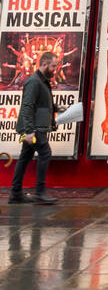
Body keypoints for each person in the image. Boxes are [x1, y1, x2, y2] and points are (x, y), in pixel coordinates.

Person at [9, 50, 59, 205]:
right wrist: (29, 131)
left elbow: (40, 103)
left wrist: (57, 108)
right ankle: (39, 192)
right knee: (45, 152)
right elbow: (27, 106)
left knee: (24, 158)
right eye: (53, 66)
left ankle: (16, 193)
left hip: (36, 127)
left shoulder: (42, 81)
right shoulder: (34, 81)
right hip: (34, 128)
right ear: (44, 64)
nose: (55, 69)